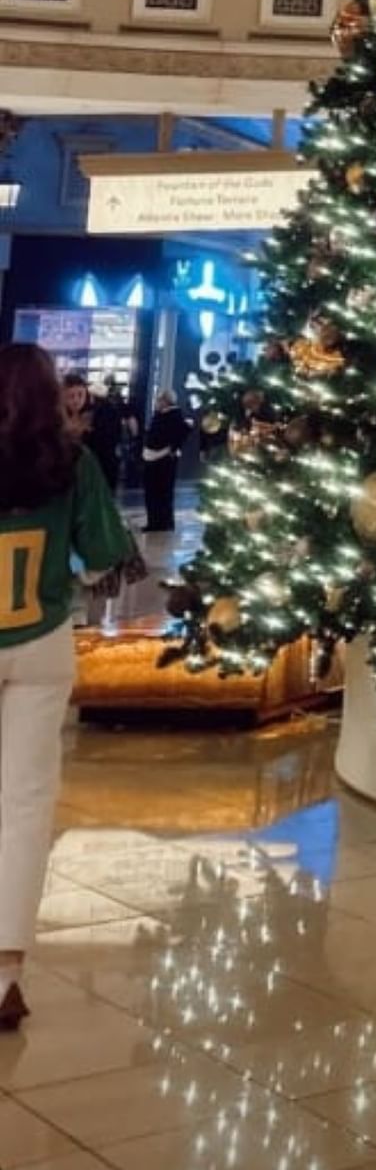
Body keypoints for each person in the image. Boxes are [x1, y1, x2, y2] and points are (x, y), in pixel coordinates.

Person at [0, 343, 141, 1029]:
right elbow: (109, 552)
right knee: (25, 809)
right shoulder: (70, 460)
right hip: (42, 640)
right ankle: (5, 976)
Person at [141, 387, 189, 539]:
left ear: (166, 401)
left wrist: (171, 450)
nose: (156, 402)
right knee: (153, 493)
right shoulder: (160, 415)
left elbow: (180, 436)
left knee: (161, 493)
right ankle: (155, 521)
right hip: (152, 458)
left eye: (159, 400)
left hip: (163, 460)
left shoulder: (174, 416)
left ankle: (161, 523)